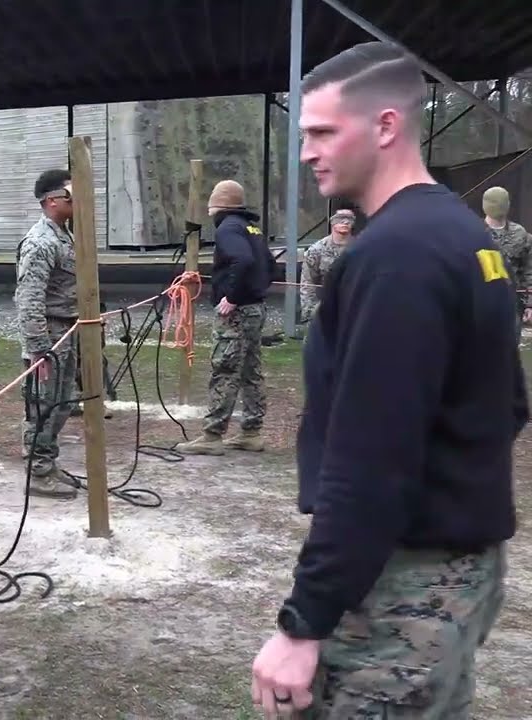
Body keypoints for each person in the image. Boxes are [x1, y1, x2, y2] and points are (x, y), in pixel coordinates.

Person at [251, 42, 526, 719]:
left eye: (321, 132)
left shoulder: (396, 256)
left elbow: (370, 461)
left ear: (384, 126)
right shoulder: (467, 236)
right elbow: (510, 404)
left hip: (407, 582)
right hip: (461, 569)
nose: (306, 151)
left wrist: (303, 623)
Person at [174, 179, 274, 456]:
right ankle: (251, 432)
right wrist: (256, 290)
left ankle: (212, 435)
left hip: (238, 314)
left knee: (225, 370)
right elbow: (269, 262)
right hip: (256, 309)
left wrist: (232, 296)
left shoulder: (228, 227)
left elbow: (243, 260)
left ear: (218, 203)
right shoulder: (251, 227)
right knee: (250, 372)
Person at [14, 169, 82, 499]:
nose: (79, 202)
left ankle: (47, 461)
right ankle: (38, 471)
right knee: (43, 405)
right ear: (53, 201)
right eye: (72, 196)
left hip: (68, 330)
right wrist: (39, 349)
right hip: (49, 334)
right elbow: (29, 299)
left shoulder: (65, 235)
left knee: (63, 403)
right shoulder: (41, 243)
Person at [481, 186, 532, 330]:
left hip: (512, 305)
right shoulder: (473, 233)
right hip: (480, 305)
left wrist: (530, 304)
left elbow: (529, 270)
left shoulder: (520, 235)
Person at [299, 208, 356, 322]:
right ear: (332, 222)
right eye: (340, 219)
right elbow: (308, 283)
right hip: (324, 308)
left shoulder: (361, 248)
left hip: (353, 310)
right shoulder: (317, 250)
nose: (345, 222)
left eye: (349, 219)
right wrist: (311, 313)